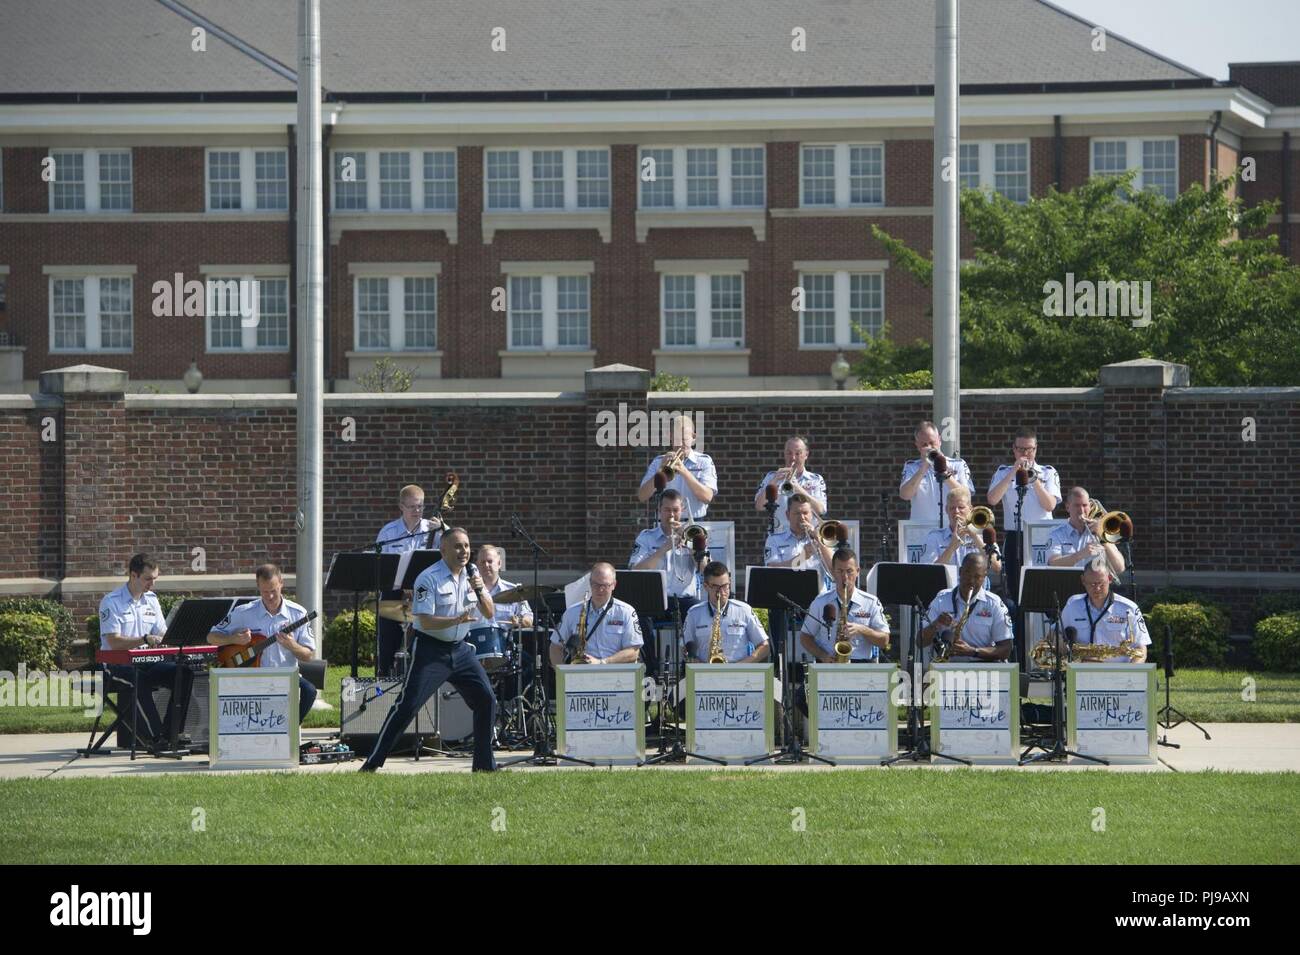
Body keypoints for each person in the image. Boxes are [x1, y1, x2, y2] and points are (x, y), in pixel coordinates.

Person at [360, 528, 498, 772]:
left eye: (466, 546)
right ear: (443, 551)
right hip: (431, 650)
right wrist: (456, 620)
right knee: (407, 706)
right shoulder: (428, 578)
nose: (463, 551)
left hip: (461, 650)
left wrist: (478, 589)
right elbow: (423, 621)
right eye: (457, 546)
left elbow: (489, 612)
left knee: (486, 699)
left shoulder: (472, 573)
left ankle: (485, 767)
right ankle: (372, 763)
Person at [97, 554, 192, 748]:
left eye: (155, 579)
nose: (152, 584)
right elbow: (113, 642)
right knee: (137, 678)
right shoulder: (111, 601)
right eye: (148, 579)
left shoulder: (152, 600)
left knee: (184, 673)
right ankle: (156, 738)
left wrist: (170, 641)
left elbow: (163, 633)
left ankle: (172, 733)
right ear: (133, 575)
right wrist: (144, 639)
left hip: (148, 662)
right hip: (117, 667)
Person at [208, 563, 318, 721]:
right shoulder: (244, 612)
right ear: (258, 586)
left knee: (309, 691)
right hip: (252, 678)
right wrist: (233, 639)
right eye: (265, 592)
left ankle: (290, 727)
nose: (270, 596)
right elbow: (211, 637)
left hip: (285, 677)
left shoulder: (298, 613)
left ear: (281, 583)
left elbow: (309, 655)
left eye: (274, 590)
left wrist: (292, 646)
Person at [629, 489, 703, 676]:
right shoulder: (646, 537)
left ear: (683, 511)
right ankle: (651, 668)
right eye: (667, 510)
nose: (671, 515)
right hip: (655, 597)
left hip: (684, 599)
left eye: (675, 510)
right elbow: (635, 569)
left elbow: (705, 570)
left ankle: (689, 672)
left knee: (699, 614)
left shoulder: (694, 534)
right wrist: (664, 548)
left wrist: (694, 549)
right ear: (659, 511)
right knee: (637, 615)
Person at [374, 484, 443, 678]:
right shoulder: (388, 532)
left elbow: (450, 555)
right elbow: (382, 567)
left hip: (424, 593)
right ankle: (384, 676)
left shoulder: (433, 530)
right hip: (394, 593)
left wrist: (443, 530)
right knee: (387, 641)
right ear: (401, 507)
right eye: (412, 507)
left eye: (420, 506)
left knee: (424, 642)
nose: (417, 511)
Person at [799, 550, 890, 664]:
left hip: (861, 666)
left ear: (857, 571)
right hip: (829, 663)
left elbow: (884, 640)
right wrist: (822, 655)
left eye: (849, 571)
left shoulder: (870, 602)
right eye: (840, 571)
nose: (845, 577)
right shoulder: (820, 602)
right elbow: (805, 637)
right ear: (833, 572)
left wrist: (862, 629)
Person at [919, 553, 1014, 663]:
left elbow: (1006, 649)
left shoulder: (994, 603)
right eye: (967, 574)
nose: (971, 581)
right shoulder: (942, 599)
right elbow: (919, 641)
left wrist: (972, 651)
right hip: (950, 668)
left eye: (977, 576)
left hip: (985, 670)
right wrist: (936, 623)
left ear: (984, 577)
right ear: (960, 572)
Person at [549, 563, 644, 666]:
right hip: (580, 675)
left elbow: (633, 651)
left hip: (616, 674)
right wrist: (563, 675)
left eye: (605, 585)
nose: (600, 590)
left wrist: (602, 662)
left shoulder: (627, 612)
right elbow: (555, 647)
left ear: (614, 585)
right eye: (596, 584)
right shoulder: (572, 612)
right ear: (590, 583)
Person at [1059, 559, 1150, 662]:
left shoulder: (1129, 608)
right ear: (1083, 580)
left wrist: (1129, 674)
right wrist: (1063, 647)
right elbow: (1055, 633)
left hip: (1119, 674)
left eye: (1101, 584)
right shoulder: (1072, 606)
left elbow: (1141, 649)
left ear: (1110, 578)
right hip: (1081, 673)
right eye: (1092, 584)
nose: (1097, 589)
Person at [681, 562, 769, 664]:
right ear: (706, 586)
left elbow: (764, 646)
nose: (722, 592)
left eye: (725, 586)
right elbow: (684, 647)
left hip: (738, 673)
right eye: (716, 587)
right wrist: (696, 663)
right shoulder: (694, 613)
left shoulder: (744, 610)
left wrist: (742, 665)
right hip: (705, 672)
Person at [636, 414, 717, 520]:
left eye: (684, 439)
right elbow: (642, 496)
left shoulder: (704, 461)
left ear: (693, 438)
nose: (680, 444)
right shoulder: (658, 462)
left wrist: (684, 471)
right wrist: (660, 472)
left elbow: (707, 497)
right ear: (670, 436)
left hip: (694, 523)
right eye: (676, 439)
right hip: (666, 523)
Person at [920, 486, 1003, 587]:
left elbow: (997, 567)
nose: (956, 511)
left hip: (978, 592)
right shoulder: (935, 537)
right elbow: (928, 573)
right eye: (952, 508)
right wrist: (951, 547)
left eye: (961, 507)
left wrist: (975, 537)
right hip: (947, 592)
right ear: (946, 510)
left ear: (970, 509)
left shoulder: (984, 535)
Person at [899, 420, 974, 526]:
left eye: (932, 443)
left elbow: (967, 495)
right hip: (922, 529)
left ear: (939, 440)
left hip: (952, 527)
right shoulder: (911, 466)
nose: (929, 447)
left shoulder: (958, 464)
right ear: (917, 445)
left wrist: (944, 470)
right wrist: (923, 468)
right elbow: (905, 495)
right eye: (924, 444)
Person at [753, 435, 827, 534]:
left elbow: (821, 510)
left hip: (807, 537)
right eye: (789, 453)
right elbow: (759, 506)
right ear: (784, 454)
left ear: (806, 455)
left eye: (798, 453)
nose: (793, 458)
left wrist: (798, 488)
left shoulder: (815, 479)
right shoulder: (771, 477)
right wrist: (774, 481)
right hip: (779, 538)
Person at [1046, 487, 1126, 577]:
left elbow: (1119, 567)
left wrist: (1103, 538)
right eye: (1077, 505)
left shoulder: (1100, 531)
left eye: (1085, 505)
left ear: (1090, 506)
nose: (1081, 510)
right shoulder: (1057, 534)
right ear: (1068, 507)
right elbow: (1053, 564)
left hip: (1096, 586)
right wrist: (1081, 554)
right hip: (1067, 584)